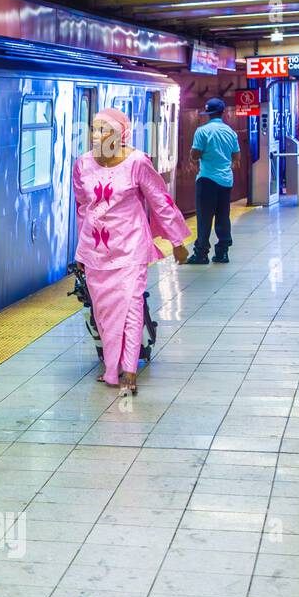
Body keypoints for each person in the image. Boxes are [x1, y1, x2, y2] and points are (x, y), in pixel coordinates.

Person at [73, 107, 190, 395]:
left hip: (131, 247)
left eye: (104, 129)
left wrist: (177, 241)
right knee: (104, 313)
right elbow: (81, 209)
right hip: (96, 251)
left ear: (121, 134)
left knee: (131, 306)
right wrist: (81, 252)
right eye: (95, 128)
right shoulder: (82, 164)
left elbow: (160, 200)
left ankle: (129, 370)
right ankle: (111, 367)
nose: (97, 134)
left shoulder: (138, 162)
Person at [185, 97, 240, 264]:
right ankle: (222, 252)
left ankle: (201, 253)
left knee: (204, 217)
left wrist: (197, 156)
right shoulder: (231, 132)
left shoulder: (202, 131)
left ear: (208, 114)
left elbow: (195, 155)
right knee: (223, 216)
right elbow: (236, 157)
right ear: (222, 112)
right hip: (226, 180)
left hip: (207, 179)